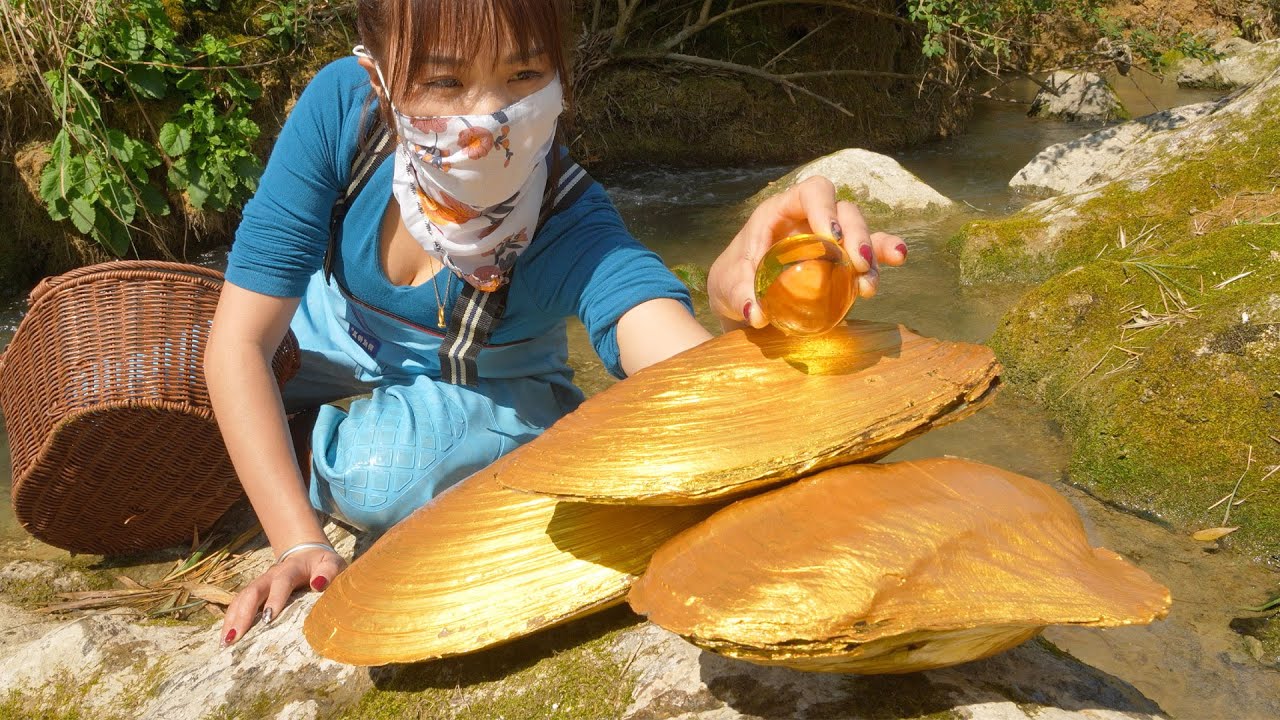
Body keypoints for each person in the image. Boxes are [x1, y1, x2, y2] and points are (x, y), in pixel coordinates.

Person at [205, 0, 907, 648]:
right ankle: (302, 440)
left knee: (383, 474)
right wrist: (297, 541)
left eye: (524, 74)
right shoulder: (343, 112)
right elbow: (239, 340)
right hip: (335, 340)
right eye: (444, 83)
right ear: (380, 73)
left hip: (489, 392)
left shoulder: (574, 224)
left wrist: (747, 299)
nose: (487, 120)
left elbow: (691, 376)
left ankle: (314, 444)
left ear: (563, 78)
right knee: (185, 374)